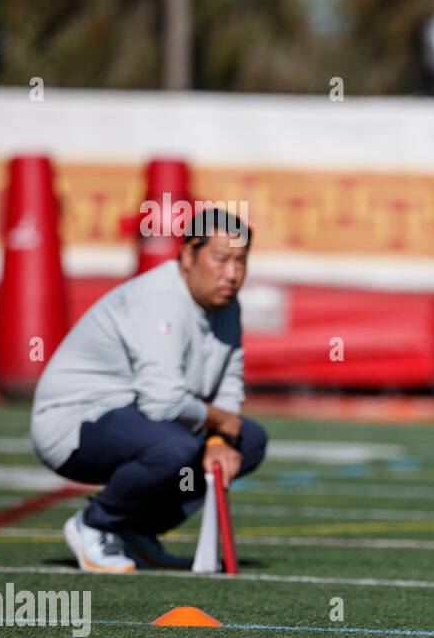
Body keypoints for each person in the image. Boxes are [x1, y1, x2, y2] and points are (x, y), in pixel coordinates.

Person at [30, 208, 267, 572]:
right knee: (174, 448)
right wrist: (221, 421)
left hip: (137, 418)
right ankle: (95, 523)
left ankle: (136, 531)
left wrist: (221, 438)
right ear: (189, 254)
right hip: (74, 423)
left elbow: (229, 379)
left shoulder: (227, 304)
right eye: (221, 258)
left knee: (247, 442)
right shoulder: (159, 299)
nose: (232, 274)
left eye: (241, 261)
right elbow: (162, 404)